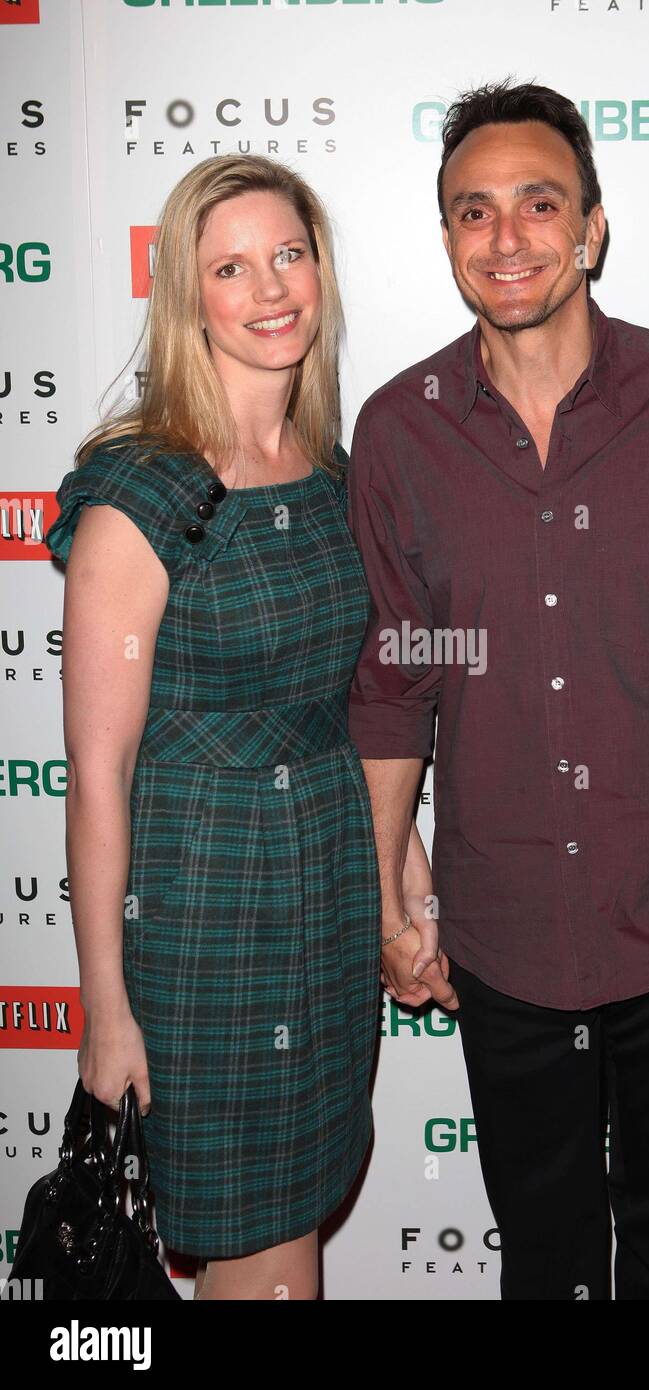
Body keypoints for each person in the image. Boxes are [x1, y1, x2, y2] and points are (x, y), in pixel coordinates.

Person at [345, 79, 649, 1300]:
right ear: (447, 238)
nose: (504, 238)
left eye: (537, 204)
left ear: (592, 228)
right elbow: (395, 685)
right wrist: (391, 896)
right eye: (472, 211)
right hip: (503, 942)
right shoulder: (399, 431)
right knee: (547, 1270)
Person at [45, 154, 382, 1301]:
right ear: (188, 301)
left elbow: (346, 703)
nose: (271, 286)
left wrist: (402, 883)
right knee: (250, 1232)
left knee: (292, 1220)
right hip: (203, 909)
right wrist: (107, 1014)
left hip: (325, 893)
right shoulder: (143, 493)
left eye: (288, 253)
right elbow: (98, 776)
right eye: (230, 267)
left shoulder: (335, 474)